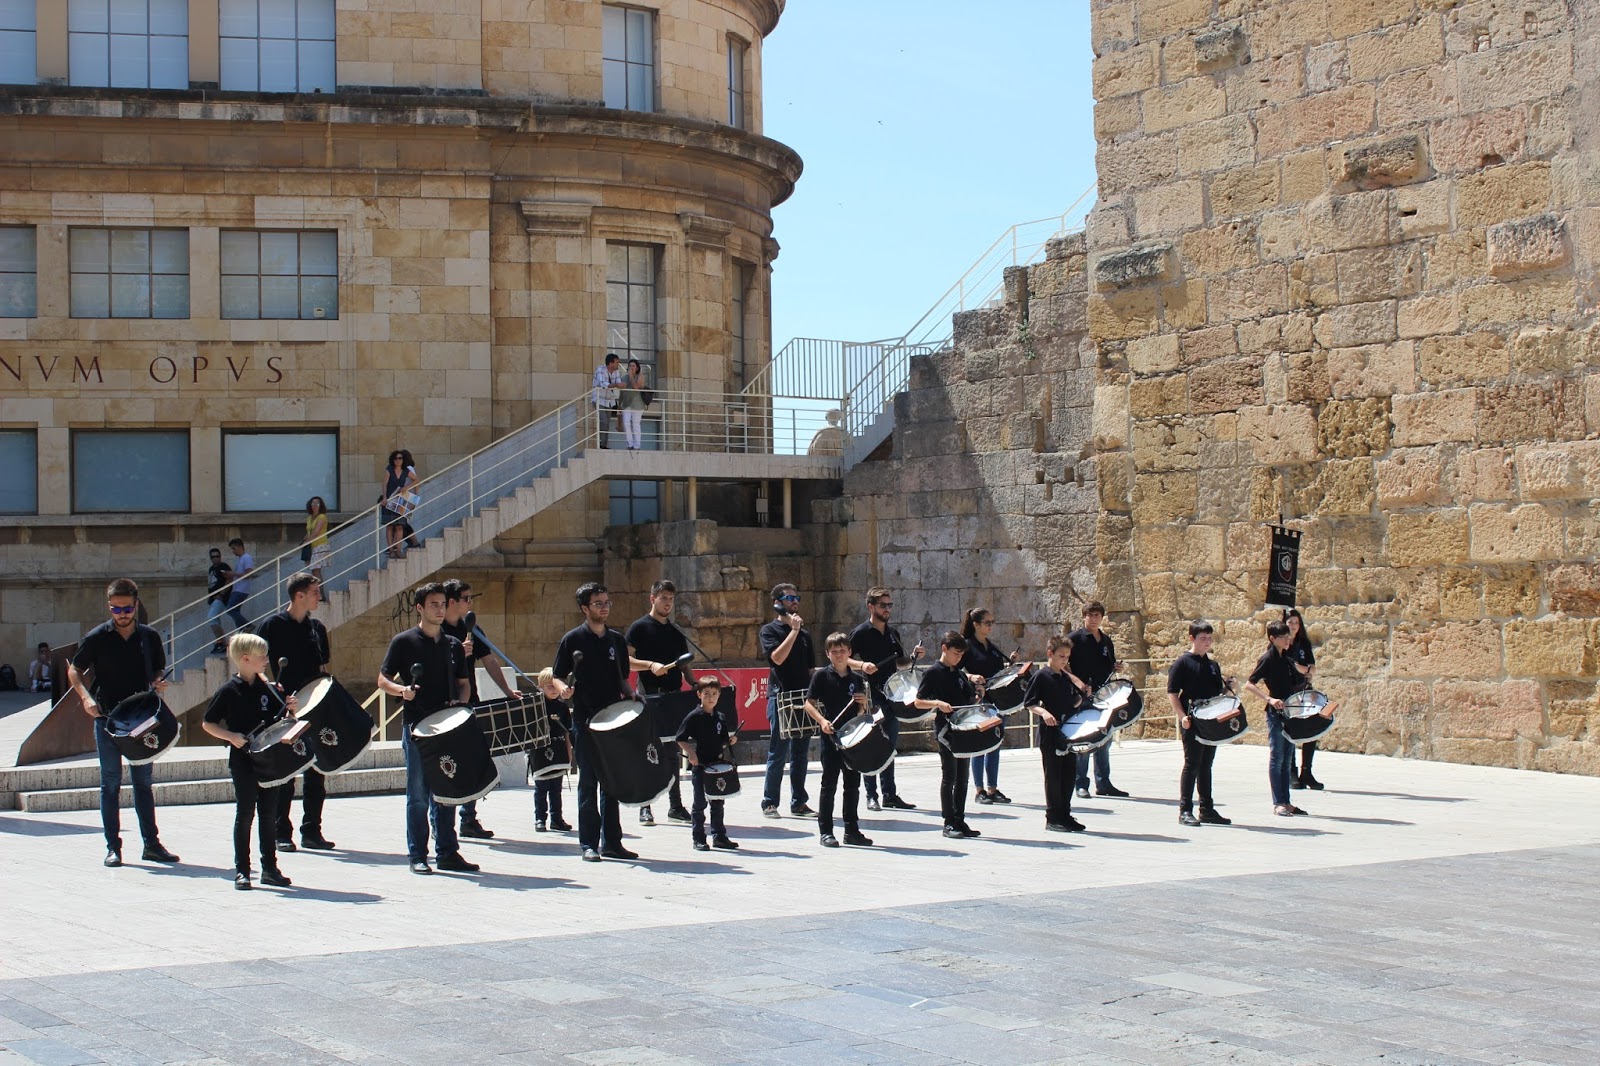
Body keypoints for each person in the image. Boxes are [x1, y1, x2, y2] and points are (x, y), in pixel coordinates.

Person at [66, 578, 180, 868]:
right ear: (109, 607)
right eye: (116, 610)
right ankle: (113, 847)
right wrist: (85, 697)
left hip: (142, 719)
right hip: (108, 718)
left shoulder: (149, 636)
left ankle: (151, 845)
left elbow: (158, 668)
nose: (122, 614)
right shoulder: (97, 637)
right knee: (111, 783)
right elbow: (75, 670)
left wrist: (158, 681)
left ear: (136, 605)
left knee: (143, 783)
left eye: (127, 608)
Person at [376, 582, 481, 875]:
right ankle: (417, 855)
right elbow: (382, 679)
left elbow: (464, 683)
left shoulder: (452, 645)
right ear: (420, 608)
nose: (439, 609)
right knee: (419, 795)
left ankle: (448, 852)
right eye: (433, 604)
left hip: (447, 727)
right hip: (416, 727)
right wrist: (402, 691)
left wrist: (460, 706)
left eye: (442, 604)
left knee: (447, 791)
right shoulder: (404, 642)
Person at [201, 633, 296, 890]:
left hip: (270, 760)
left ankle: (270, 868)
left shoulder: (269, 689)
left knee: (268, 814)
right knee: (245, 814)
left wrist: (290, 709)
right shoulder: (229, 691)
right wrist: (231, 736)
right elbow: (208, 723)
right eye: (262, 656)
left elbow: (280, 721)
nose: (266, 660)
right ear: (245, 659)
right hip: (243, 761)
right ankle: (242, 870)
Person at [552, 581, 637, 862]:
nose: (604, 608)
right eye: (598, 603)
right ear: (584, 608)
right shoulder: (573, 639)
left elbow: (622, 678)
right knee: (588, 782)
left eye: (607, 602)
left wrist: (632, 695)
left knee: (611, 783)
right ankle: (588, 843)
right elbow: (557, 674)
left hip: (613, 719)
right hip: (586, 720)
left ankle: (612, 842)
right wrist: (563, 689)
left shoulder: (616, 640)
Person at [255, 572, 336, 852]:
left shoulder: (317, 627)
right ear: (299, 595)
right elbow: (258, 665)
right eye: (315, 592)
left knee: (317, 769)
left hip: (314, 706)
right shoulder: (272, 625)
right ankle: (281, 832)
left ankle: (312, 830)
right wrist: (271, 688)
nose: (319, 596)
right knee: (287, 771)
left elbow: (322, 667)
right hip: (285, 708)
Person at [441, 579, 513, 840]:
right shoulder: (435, 630)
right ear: (453, 602)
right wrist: (455, 651)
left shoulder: (471, 628)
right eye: (467, 598)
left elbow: (490, 661)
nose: (471, 603)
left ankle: (469, 819)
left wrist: (507, 691)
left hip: (470, 702)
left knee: (474, 761)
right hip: (441, 705)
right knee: (446, 765)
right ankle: (441, 825)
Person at [625, 579, 692, 827]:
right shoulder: (639, 628)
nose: (668, 603)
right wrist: (650, 665)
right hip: (649, 696)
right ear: (652, 599)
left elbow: (684, 663)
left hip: (672, 696)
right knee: (649, 751)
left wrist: (694, 683)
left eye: (671, 599)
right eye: (663, 598)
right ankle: (645, 806)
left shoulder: (675, 631)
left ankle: (675, 806)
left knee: (672, 754)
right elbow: (626, 661)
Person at [849, 587, 922, 811]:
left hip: (893, 696)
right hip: (871, 696)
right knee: (873, 744)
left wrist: (912, 658)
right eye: (883, 605)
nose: (887, 609)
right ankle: (871, 795)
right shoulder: (860, 632)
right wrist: (863, 665)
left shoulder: (893, 633)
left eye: (889, 605)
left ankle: (890, 794)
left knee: (890, 745)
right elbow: (844, 659)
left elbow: (899, 663)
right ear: (871, 607)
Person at [915, 631, 994, 839]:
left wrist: (978, 695)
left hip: (963, 730)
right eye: (956, 653)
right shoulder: (933, 672)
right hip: (946, 731)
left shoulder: (958, 673)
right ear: (944, 649)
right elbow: (918, 701)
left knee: (963, 778)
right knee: (949, 776)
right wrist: (938, 703)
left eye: (961, 655)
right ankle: (948, 822)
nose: (959, 658)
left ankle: (960, 819)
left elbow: (968, 700)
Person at [803, 632, 873, 848]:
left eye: (843, 651)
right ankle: (826, 831)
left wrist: (862, 703)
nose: (839, 655)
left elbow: (862, 711)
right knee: (829, 784)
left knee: (852, 785)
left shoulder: (857, 679)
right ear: (828, 654)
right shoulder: (822, 676)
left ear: (849, 652)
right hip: (832, 736)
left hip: (852, 737)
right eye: (835, 652)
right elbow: (809, 703)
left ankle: (852, 829)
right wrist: (822, 722)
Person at [1169, 620, 1232, 828]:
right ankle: (1185, 810)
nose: (1207, 642)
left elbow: (1216, 695)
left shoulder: (1213, 666)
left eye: (1209, 638)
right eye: (1203, 638)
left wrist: (1229, 689)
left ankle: (1206, 809)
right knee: (1192, 763)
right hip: (1192, 719)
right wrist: (1182, 717)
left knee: (1206, 764)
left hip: (1210, 721)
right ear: (1192, 639)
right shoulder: (1182, 663)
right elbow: (1173, 693)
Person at [759, 582, 814, 819]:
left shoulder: (805, 635)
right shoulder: (769, 631)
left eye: (797, 597)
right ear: (777, 603)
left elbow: (810, 669)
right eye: (789, 597)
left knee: (801, 753)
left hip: (802, 697)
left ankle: (799, 801)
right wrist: (792, 631)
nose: (795, 601)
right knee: (778, 752)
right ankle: (770, 802)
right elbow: (777, 659)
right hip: (781, 697)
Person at [959, 607, 1024, 805]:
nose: (990, 626)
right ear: (976, 624)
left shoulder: (991, 646)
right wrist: (971, 676)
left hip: (996, 700)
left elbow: (997, 671)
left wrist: (1010, 664)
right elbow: (957, 670)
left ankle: (992, 788)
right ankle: (979, 790)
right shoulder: (967, 646)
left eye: (992, 622)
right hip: (978, 701)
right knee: (979, 745)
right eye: (987, 622)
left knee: (994, 743)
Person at [1021, 635, 1085, 833]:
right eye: (1061, 656)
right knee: (1053, 776)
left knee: (1068, 774)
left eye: (1067, 657)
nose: (1064, 660)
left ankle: (1065, 814)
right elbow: (1029, 702)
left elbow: (1072, 702)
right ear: (1050, 654)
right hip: (1050, 733)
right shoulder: (1042, 676)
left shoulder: (1065, 677)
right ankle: (1053, 817)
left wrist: (1083, 697)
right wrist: (1045, 712)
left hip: (1068, 731)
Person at [1067, 602, 1130, 799]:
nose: (1094, 619)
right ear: (1084, 616)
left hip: (1104, 695)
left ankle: (1103, 782)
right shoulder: (1074, 639)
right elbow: (1063, 665)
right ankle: (1080, 783)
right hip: (1083, 696)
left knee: (1105, 738)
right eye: (1091, 615)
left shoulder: (1105, 640)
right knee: (1084, 739)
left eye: (1098, 615)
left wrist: (1116, 667)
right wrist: (1078, 684)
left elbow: (1109, 663)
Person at [1244, 621, 1307, 818]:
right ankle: (1278, 802)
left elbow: (1296, 681)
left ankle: (1286, 802)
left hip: (1290, 711)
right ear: (1272, 638)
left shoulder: (1286, 657)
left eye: (1288, 636)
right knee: (1277, 756)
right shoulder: (1268, 658)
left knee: (1288, 757)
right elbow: (1249, 684)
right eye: (1283, 637)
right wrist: (1269, 699)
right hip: (1276, 713)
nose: (1287, 639)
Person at [677, 675, 740, 851]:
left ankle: (719, 836)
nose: (710, 697)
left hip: (717, 765)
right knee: (700, 803)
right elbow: (680, 738)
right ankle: (698, 838)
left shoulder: (720, 717)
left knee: (718, 801)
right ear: (699, 695)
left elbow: (722, 740)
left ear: (719, 695)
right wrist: (691, 753)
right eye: (706, 693)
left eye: (714, 694)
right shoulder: (694, 716)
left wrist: (730, 740)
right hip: (701, 766)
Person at [1284, 608, 1322, 790]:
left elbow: (1311, 669)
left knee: (1311, 729)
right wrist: (1302, 670)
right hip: (1287, 693)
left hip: (1304, 691)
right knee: (1290, 732)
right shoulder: (1280, 644)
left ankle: (1307, 771)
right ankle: (1291, 772)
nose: (1293, 626)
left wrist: (1301, 669)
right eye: (1290, 622)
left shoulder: (1303, 644)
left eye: (1296, 623)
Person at [533, 668, 573, 833]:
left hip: (558, 748)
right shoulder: (535, 705)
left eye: (555, 686)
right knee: (541, 788)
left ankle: (557, 819)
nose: (553, 689)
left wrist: (569, 752)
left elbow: (566, 731)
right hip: (540, 750)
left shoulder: (562, 706)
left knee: (557, 788)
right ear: (540, 686)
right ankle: (540, 818)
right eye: (548, 686)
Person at [380, 450, 419, 559]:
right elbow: (384, 484)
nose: (398, 460)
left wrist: (407, 487)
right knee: (389, 526)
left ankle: (398, 550)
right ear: (393, 459)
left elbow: (416, 480)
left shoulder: (406, 471)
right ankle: (391, 550)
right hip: (390, 500)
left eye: (400, 458)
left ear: (403, 460)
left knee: (400, 526)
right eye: (396, 458)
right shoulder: (389, 470)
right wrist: (384, 498)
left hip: (400, 501)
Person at [206, 545, 245, 653]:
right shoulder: (211, 568)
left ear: (220, 556)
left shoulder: (223, 566)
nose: (216, 558)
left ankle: (220, 642)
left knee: (211, 618)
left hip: (221, 598)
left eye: (217, 556)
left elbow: (230, 579)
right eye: (213, 557)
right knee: (214, 619)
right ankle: (220, 643)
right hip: (214, 598)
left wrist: (221, 594)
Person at [592, 352, 623, 448]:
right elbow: (602, 383)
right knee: (603, 421)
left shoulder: (616, 372)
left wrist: (621, 385)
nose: (618, 365)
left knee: (607, 423)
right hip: (599, 400)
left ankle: (603, 444)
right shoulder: (600, 370)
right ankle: (600, 444)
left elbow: (618, 383)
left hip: (609, 401)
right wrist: (616, 385)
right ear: (610, 363)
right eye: (617, 363)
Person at [621, 358, 649, 450]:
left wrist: (631, 376)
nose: (631, 367)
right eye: (630, 365)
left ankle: (637, 445)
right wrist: (619, 406)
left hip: (637, 404)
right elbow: (622, 392)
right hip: (626, 403)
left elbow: (636, 387)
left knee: (636, 424)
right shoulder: (624, 378)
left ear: (637, 368)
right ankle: (630, 444)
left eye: (633, 366)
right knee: (626, 423)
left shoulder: (640, 376)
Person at [302, 496, 331, 581]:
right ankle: (318, 592)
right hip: (311, 546)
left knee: (316, 571)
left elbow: (316, 532)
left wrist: (306, 542)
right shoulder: (309, 518)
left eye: (317, 503)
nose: (314, 505)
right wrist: (303, 542)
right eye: (313, 503)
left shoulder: (322, 517)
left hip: (320, 545)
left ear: (320, 505)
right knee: (314, 571)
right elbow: (309, 532)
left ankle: (321, 593)